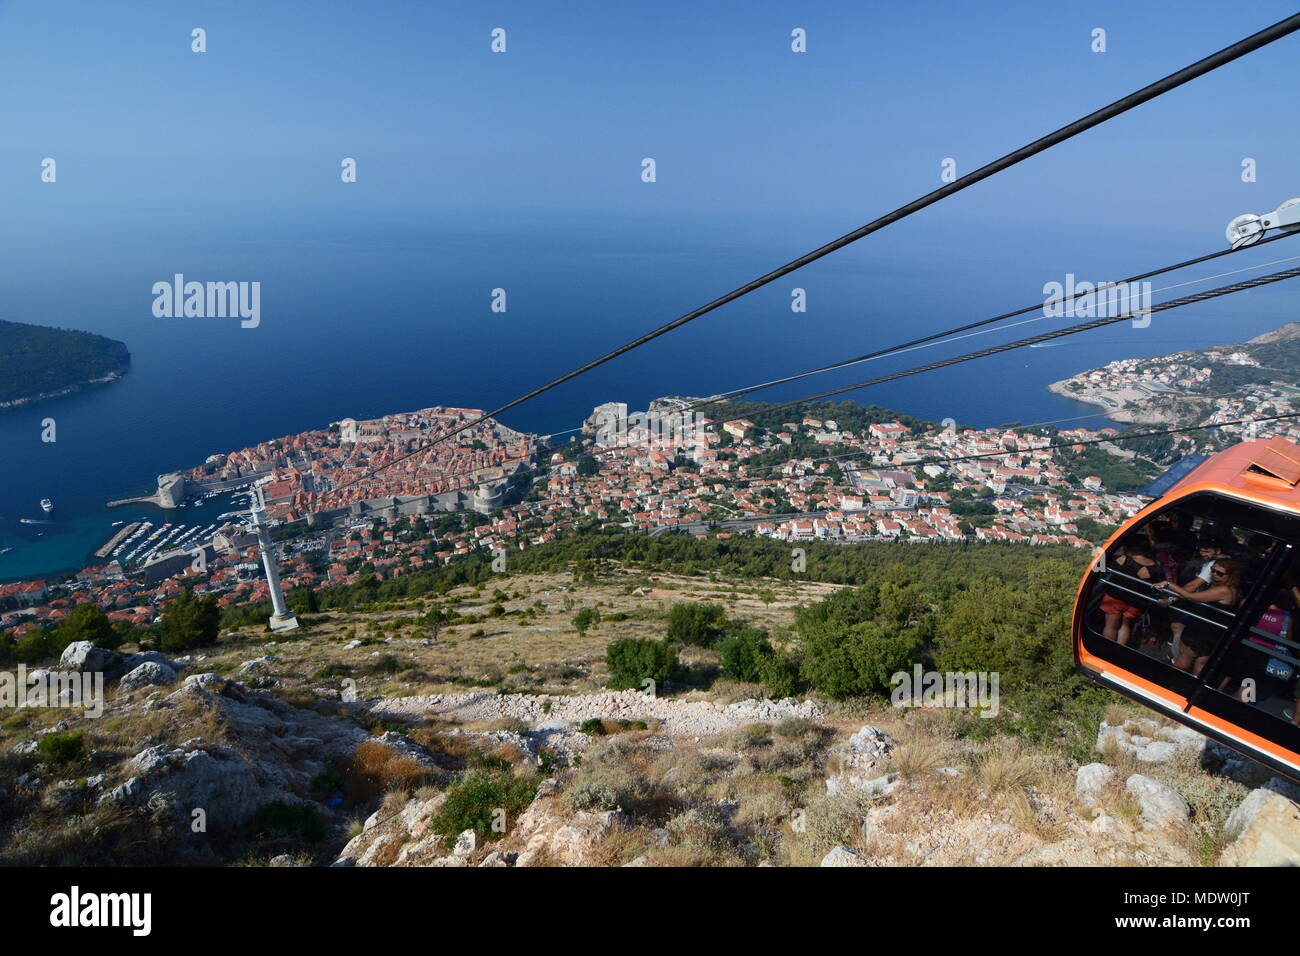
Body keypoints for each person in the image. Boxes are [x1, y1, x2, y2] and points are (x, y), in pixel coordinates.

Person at [1157, 558, 1244, 676]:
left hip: (1201, 632)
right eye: (1212, 570)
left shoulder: (1224, 590)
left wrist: (1169, 584)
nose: (1214, 574)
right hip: (1210, 632)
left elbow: (1191, 596)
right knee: (1200, 663)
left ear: (1231, 576)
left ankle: (1171, 682)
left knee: (1184, 659)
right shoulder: (1224, 588)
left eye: (1220, 573)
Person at [1101, 540, 1162, 646]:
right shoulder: (1155, 566)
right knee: (1126, 625)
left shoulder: (1123, 559)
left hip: (1116, 597)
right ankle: (1118, 649)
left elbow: (1102, 566)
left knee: (1111, 626)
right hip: (1137, 602)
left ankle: (1107, 647)